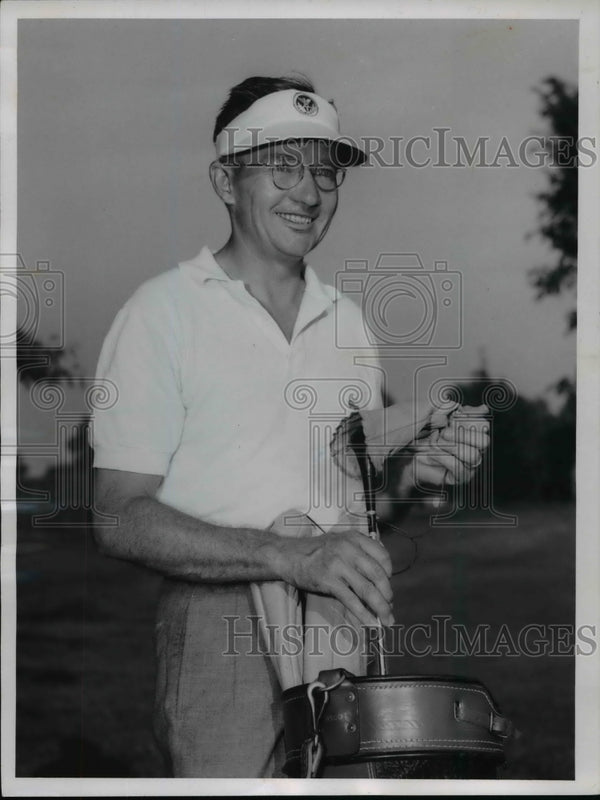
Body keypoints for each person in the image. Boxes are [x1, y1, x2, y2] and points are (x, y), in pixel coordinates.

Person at [92, 74, 489, 778]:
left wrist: (413, 478)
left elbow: (355, 513)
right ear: (226, 180)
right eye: (283, 166)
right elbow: (118, 517)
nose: (308, 193)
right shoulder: (162, 313)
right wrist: (288, 556)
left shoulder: (348, 324)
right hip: (219, 624)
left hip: (341, 623)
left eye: (326, 171)